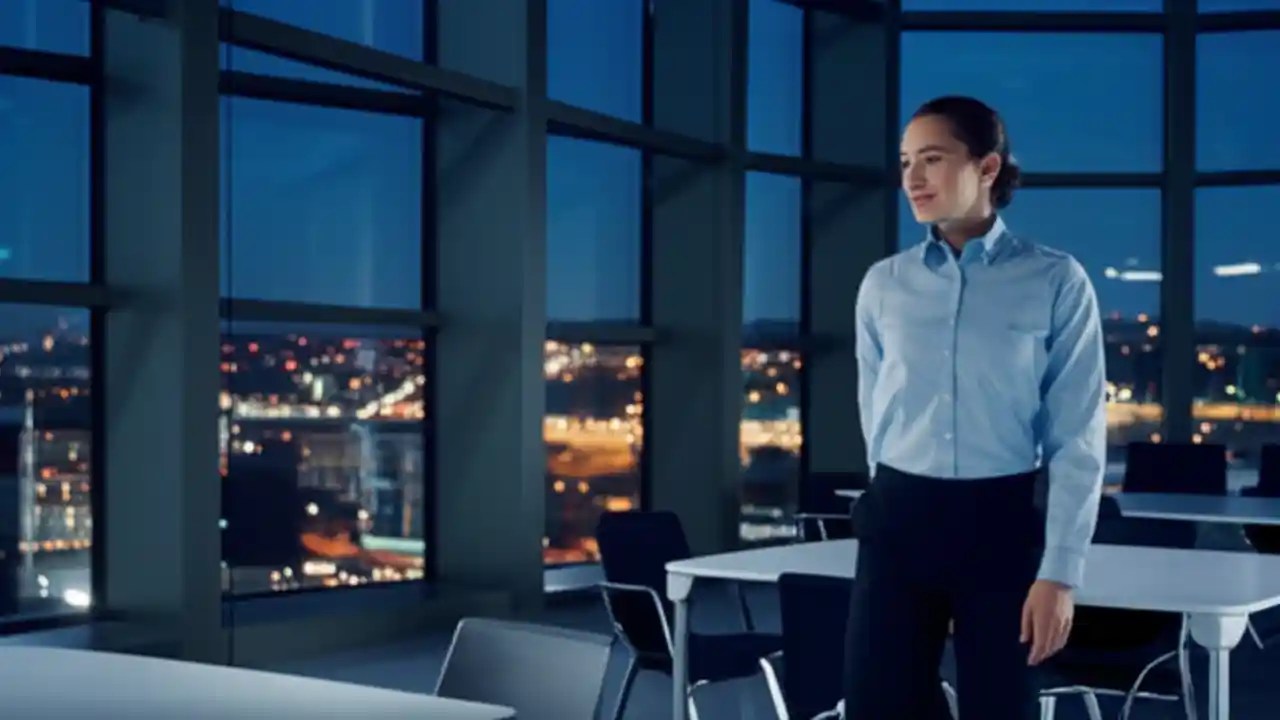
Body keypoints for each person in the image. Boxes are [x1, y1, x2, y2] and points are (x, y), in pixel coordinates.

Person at [843, 95, 1107, 719]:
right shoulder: (883, 284)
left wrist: (1059, 573)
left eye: (932, 159)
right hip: (898, 520)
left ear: (987, 167)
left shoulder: (1056, 280)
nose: (912, 178)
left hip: (1001, 527)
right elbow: (874, 411)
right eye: (905, 161)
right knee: (878, 708)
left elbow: (1077, 436)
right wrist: (885, 495)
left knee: (1001, 708)